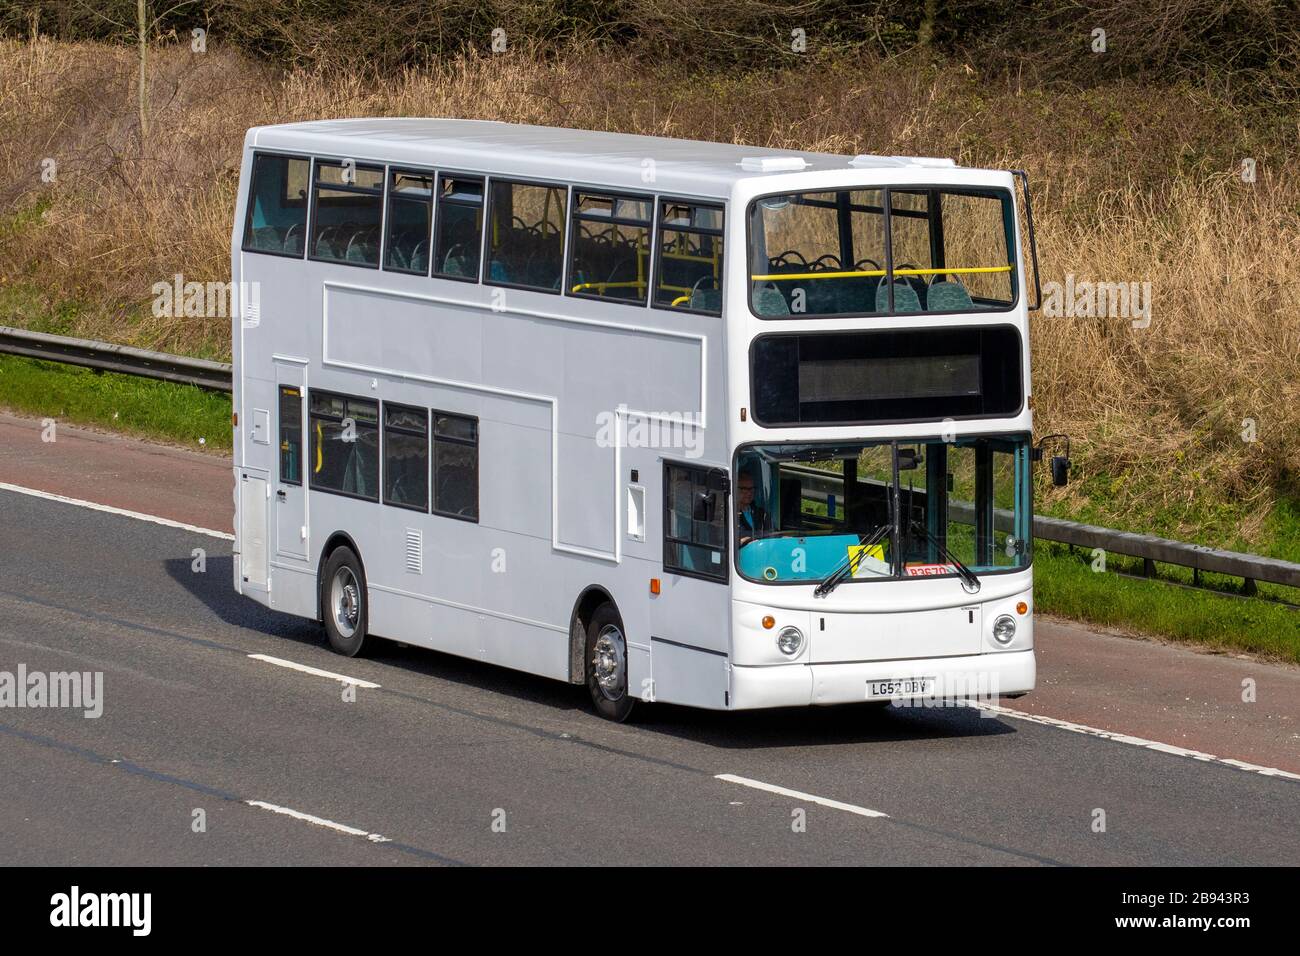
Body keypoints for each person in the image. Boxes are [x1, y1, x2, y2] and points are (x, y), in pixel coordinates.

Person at [736, 472, 770, 545]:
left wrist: (783, 537)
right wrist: (740, 542)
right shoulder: (728, 513)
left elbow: (772, 532)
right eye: (744, 489)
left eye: (752, 489)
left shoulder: (761, 513)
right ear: (734, 489)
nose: (749, 493)